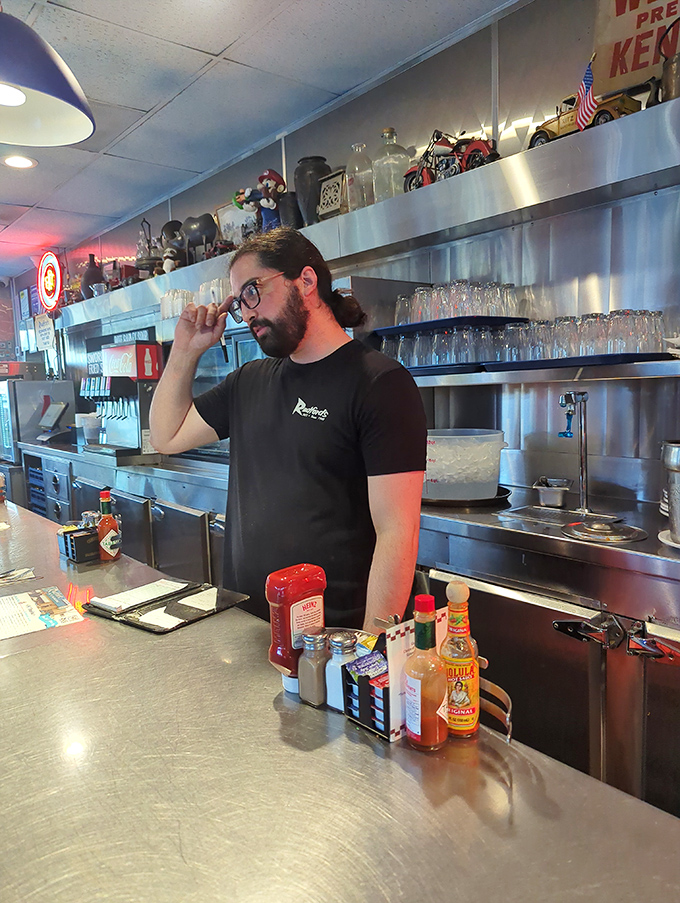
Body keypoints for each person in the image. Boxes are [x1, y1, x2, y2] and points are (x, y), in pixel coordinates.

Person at [149, 227, 426, 631]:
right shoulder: (247, 381)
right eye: (239, 301)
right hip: (244, 624)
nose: (246, 313)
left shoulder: (380, 383)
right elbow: (166, 436)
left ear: (307, 281)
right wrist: (186, 350)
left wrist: (370, 651)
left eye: (252, 291)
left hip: (330, 640)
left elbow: (398, 532)